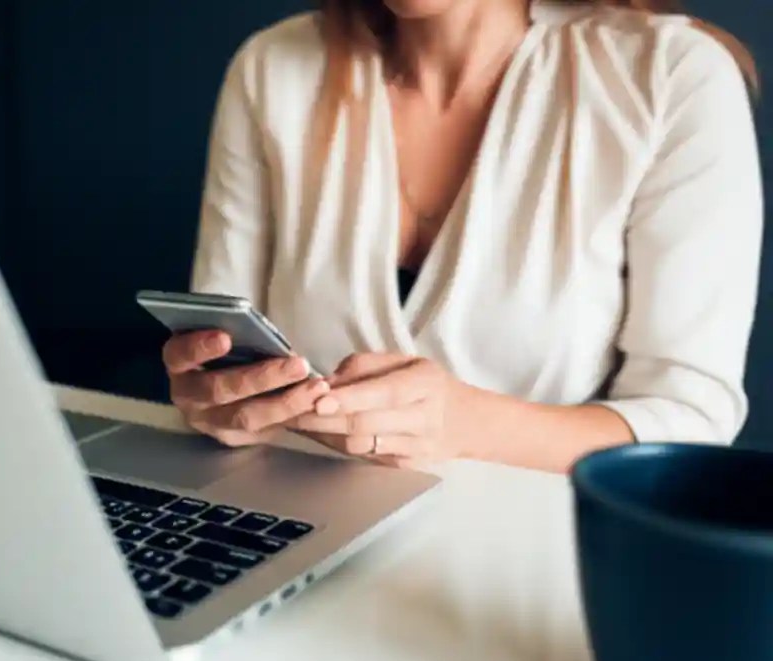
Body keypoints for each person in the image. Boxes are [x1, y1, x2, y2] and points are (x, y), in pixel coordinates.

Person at [163, 0, 763, 473]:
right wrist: (218, 403)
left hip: (527, 560)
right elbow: (221, 351)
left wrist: (464, 423)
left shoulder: (671, 76)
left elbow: (690, 418)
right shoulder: (271, 66)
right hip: (285, 521)